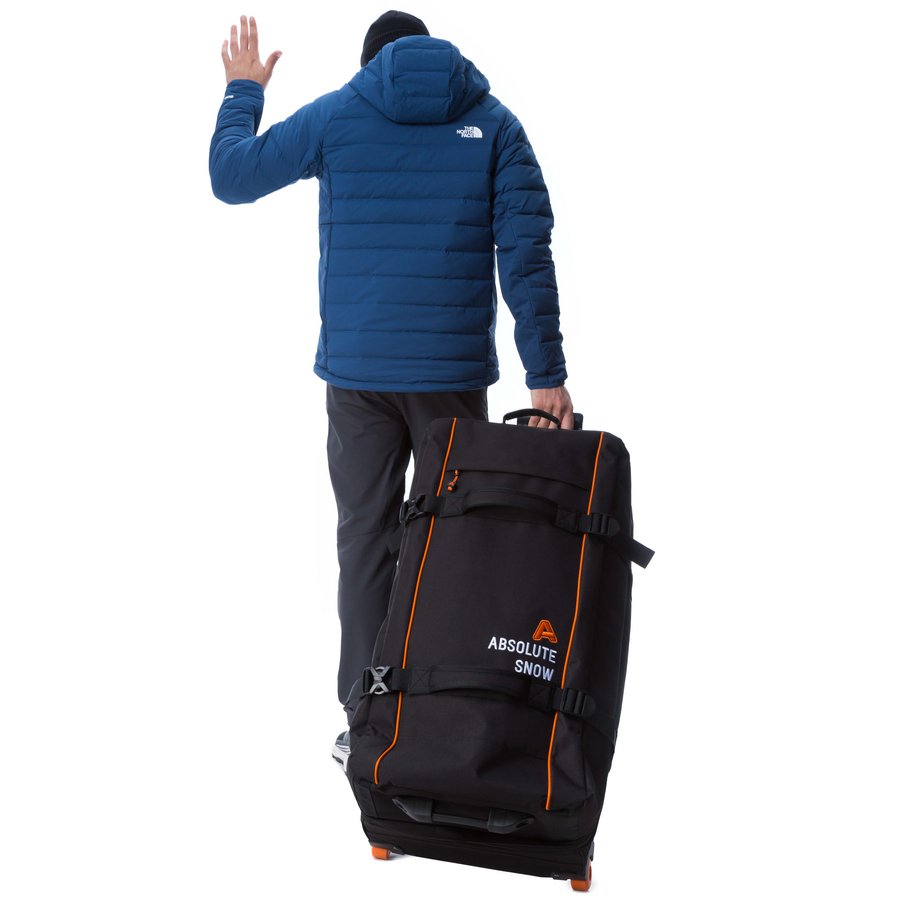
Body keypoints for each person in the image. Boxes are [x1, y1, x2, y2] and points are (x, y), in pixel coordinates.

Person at [209, 11, 575, 770]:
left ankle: (369, 718)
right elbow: (526, 252)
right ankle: (449, 716)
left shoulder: (341, 112)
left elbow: (232, 177)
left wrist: (244, 91)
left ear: (373, 64)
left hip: (359, 380)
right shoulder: (495, 124)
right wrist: (545, 376)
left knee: (366, 543)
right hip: (451, 380)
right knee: (454, 541)